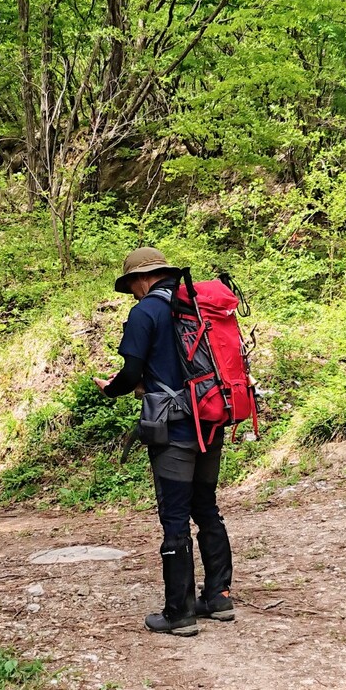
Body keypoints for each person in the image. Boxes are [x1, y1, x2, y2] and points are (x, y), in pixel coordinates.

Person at [97, 247, 235, 636]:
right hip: (211, 419)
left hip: (173, 430)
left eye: (132, 286)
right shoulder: (196, 308)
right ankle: (219, 597)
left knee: (174, 518)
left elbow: (131, 373)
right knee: (206, 507)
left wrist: (110, 389)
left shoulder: (145, 312)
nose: (133, 293)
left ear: (141, 279)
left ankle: (179, 613)